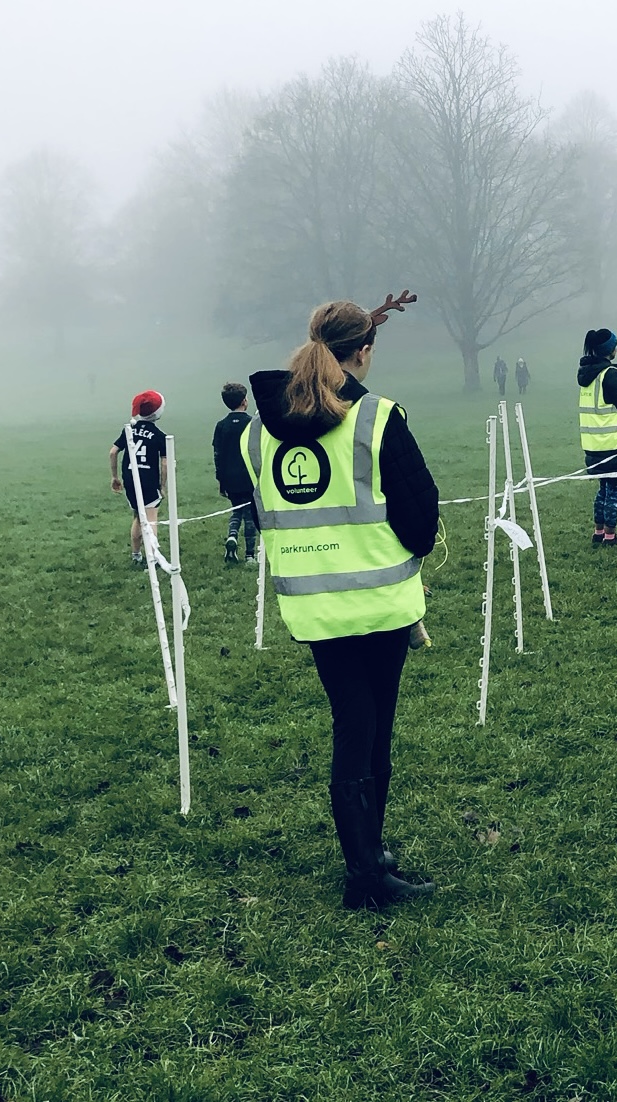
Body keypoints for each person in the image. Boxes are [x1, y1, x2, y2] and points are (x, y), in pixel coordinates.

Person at [244, 292, 438, 910]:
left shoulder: (258, 433)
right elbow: (421, 518)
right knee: (369, 733)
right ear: (364, 352)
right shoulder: (378, 418)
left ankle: (369, 856)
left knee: (351, 725)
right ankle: (366, 874)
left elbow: (263, 514)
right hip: (379, 604)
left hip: (312, 610)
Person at [577, 328, 617, 546]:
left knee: (603, 488)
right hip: (614, 442)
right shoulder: (610, 374)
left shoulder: (587, 374)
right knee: (614, 490)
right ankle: (610, 536)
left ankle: (597, 531)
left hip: (593, 444)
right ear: (609, 350)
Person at [109, 391, 170, 568]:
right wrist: (163, 485)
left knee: (137, 516)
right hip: (148, 480)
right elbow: (165, 463)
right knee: (151, 519)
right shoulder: (160, 435)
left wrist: (114, 477)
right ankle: (153, 558)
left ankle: (136, 556)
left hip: (130, 478)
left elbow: (113, 452)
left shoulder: (129, 430)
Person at [211, 383, 259, 566]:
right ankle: (249, 555)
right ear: (244, 401)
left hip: (229, 478)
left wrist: (221, 480)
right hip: (248, 477)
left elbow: (218, 454)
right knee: (250, 515)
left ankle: (232, 536)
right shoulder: (251, 423)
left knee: (236, 510)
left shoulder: (221, 425)